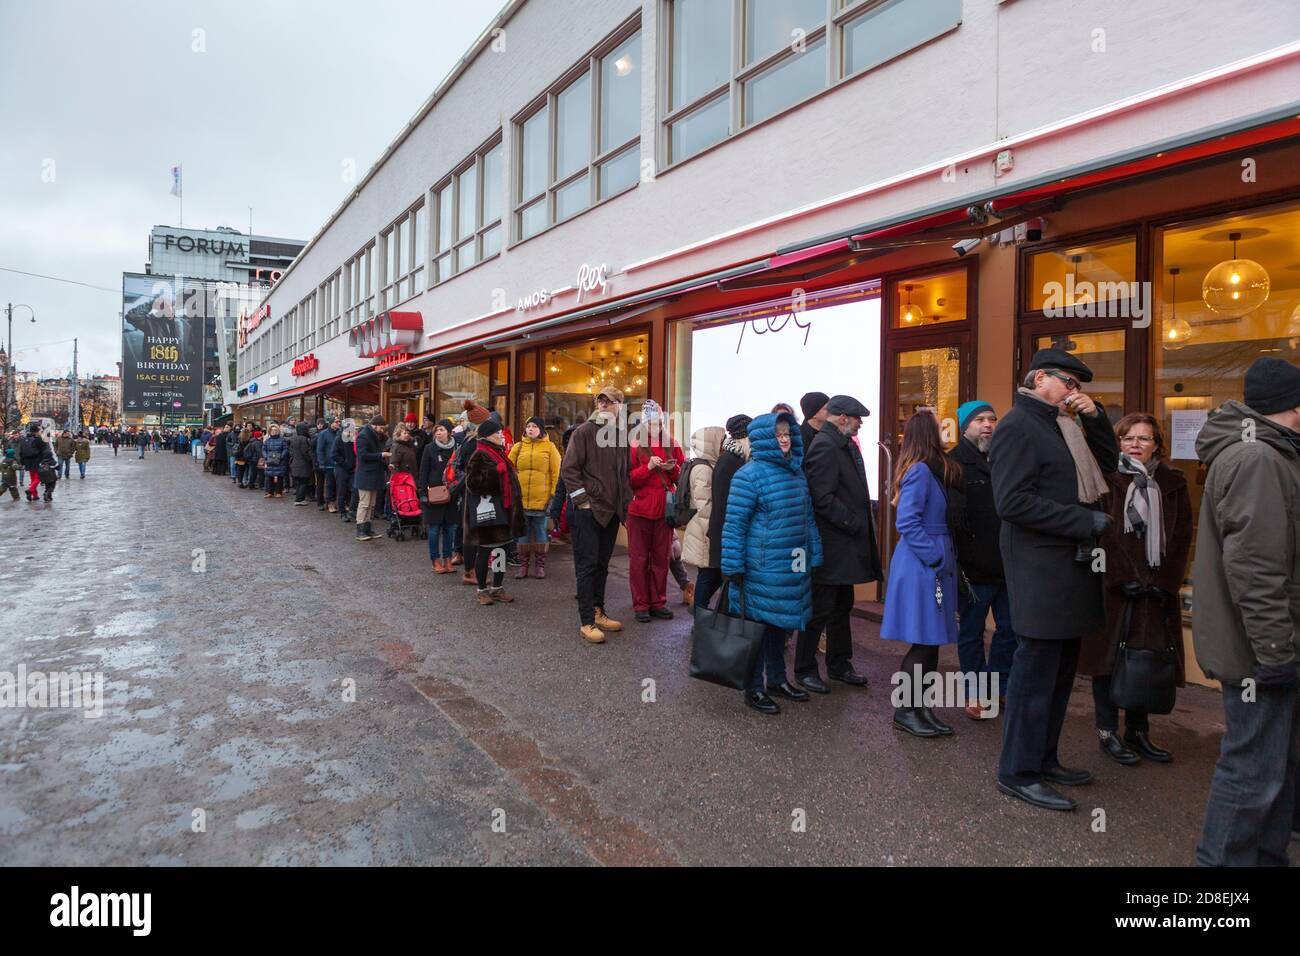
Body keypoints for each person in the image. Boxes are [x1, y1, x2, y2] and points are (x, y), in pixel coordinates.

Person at [989, 348, 1118, 812]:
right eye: (1068, 382)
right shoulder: (1017, 426)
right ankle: (1017, 772)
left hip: (1069, 567)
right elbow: (1012, 503)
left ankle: (1043, 759)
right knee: (1034, 673)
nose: (1074, 391)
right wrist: (1082, 523)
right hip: (1041, 568)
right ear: (1040, 377)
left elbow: (1109, 463)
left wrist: (1097, 418)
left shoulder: (1063, 424)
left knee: (1061, 671)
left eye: (1078, 386)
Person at [1193, 358, 1300, 867]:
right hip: (1259, 650)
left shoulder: (1274, 455)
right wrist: (1277, 652)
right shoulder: (1258, 459)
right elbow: (1256, 570)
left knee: (1274, 769)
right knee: (1251, 771)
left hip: (1270, 643)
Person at [1078, 413, 1193, 765]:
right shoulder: (1106, 478)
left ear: (1157, 443)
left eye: (1144, 439)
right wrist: (1120, 575)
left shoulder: (1174, 481)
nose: (1136, 445)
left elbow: (1182, 536)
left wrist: (1166, 583)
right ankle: (1107, 731)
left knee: (1147, 659)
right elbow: (1102, 534)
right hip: (1115, 588)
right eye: (1128, 438)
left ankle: (1138, 731)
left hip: (1156, 590)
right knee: (1108, 662)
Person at [721, 411, 823, 715]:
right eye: (778, 434)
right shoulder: (748, 476)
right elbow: (734, 525)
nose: (784, 439)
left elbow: (807, 520)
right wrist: (733, 566)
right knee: (757, 629)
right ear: (765, 438)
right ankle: (753, 688)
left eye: (787, 433)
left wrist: (813, 555)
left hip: (791, 564)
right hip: (759, 568)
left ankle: (777, 680)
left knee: (781, 625)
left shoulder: (796, 473)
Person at [882, 410, 962, 738]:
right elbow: (908, 522)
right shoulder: (920, 472)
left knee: (930, 643)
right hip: (923, 565)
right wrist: (935, 558)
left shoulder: (928, 470)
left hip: (928, 563)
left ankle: (921, 708)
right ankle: (906, 710)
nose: (946, 429)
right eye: (939, 425)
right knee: (924, 643)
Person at [797, 394, 880, 693]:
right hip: (831, 545)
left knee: (841, 605)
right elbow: (822, 498)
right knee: (820, 607)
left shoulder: (839, 443)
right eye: (858, 419)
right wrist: (853, 521)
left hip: (842, 545)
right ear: (843, 418)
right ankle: (805, 668)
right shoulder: (826, 446)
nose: (860, 424)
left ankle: (840, 663)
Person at [948, 400, 1016, 719]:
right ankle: (976, 693)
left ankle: (1000, 687)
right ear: (965, 427)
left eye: (992, 419)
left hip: (1008, 565)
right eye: (980, 420)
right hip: (972, 569)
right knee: (972, 633)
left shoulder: (1005, 458)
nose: (988, 425)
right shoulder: (954, 464)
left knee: (1011, 630)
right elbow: (951, 520)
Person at [560, 386, 631, 644]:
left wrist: (625, 507)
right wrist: (582, 501)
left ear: (619, 406)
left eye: (609, 402)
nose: (603, 406)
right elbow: (569, 470)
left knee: (602, 566)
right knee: (587, 567)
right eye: (600, 402)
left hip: (611, 513)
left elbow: (624, 476)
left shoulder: (620, 436)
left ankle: (599, 612)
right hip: (588, 512)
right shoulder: (584, 432)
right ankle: (587, 620)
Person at [627, 399, 685, 623]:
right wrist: (648, 467)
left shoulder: (672, 443)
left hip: (663, 510)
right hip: (639, 510)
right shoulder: (633, 444)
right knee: (639, 560)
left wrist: (674, 468)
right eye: (650, 422)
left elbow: (680, 477)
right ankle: (641, 604)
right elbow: (628, 480)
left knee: (661, 559)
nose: (655, 426)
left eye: (658, 422)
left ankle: (658, 602)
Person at [463, 419, 524, 605]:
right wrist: (496, 472)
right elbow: (473, 483)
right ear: (488, 436)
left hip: (503, 511)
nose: (501, 436)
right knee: (484, 551)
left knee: (501, 550)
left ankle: (497, 588)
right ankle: (482, 589)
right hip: (487, 513)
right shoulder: (480, 454)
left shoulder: (498, 453)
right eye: (498, 433)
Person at [704, 416, 752, 612]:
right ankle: (714, 629)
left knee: (723, 584)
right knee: (726, 585)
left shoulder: (733, 458)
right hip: (726, 533)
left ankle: (711, 625)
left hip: (726, 533)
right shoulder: (730, 461)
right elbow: (724, 504)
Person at [508, 416, 561, 579]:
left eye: (534, 426)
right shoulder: (518, 446)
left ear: (541, 430)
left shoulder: (550, 448)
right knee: (522, 532)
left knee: (540, 531)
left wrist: (553, 496)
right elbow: (509, 469)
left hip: (542, 499)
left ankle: (540, 566)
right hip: (521, 498)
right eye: (528, 426)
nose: (530, 429)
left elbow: (556, 473)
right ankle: (523, 566)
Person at [680, 425, 725, 607]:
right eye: (721, 441)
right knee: (708, 576)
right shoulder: (703, 469)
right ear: (711, 443)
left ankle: (699, 614)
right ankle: (699, 616)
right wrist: (712, 533)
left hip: (702, 529)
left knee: (710, 575)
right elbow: (704, 504)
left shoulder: (705, 465)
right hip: (703, 532)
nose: (723, 446)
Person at [419, 419, 459, 573]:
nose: (438, 433)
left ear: (449, 431)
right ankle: (435, 560)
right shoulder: (429, 448)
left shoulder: (456, 447)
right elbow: (423, 472)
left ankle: (448, 559)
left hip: (451, 494)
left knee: (450, 529)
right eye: (436, 431)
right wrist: (422, 493)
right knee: (434, 529)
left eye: (442, 430)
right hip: (433, 494)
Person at [354, 415, 388, 541]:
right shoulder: (364, 435)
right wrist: (381, 455)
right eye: (382, 427)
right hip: (365, 475)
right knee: (364, 503)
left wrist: (386, 464)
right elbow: (362, 456)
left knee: (371, 504)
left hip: (373, 474)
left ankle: (367, 529)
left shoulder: (375, 436)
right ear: (375, 425)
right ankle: (360, 531)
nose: (383, 429)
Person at [333, 418, 357, 522]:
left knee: (354, 489)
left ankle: (352, 509)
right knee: (341, 491)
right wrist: (344, 463)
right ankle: (342, 512)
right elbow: (334, 455)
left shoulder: (354, 440)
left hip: (352, 469)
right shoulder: (338, 439)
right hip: (341, 469)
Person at [18, 422, 49, 501]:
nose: (39, 432)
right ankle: (30, 490)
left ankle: (35, 495)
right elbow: (44, 451)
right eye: (39, 431)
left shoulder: (24, 439)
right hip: (37, 461)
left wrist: (22, 463)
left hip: (27, 462)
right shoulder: (38, 439)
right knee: (39, 478)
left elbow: (21, 452)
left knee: (33, 479)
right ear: (36, 432)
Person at [314, 417, 340, 511]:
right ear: (331, 423)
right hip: (329, 463)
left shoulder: (340, 433)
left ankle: (340, 503)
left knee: (340, 484)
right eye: (336, 422)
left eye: (339, 422)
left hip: (339, 463)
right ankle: (330, 503)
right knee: (330, 484)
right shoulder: (323, 434)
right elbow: (320, 449)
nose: (338, 423)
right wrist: (321, 462)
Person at [288, 422, 315, 505]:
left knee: (298, 482)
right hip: (303, 464)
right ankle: (300, 499)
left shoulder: (293, 438)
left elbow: (291, 451)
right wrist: (311, 459)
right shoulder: (304, 439)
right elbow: (306, 453)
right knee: (303, 482)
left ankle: (298, 498)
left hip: (295, 463)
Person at [261, 425, 290, 498]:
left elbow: (285, 449)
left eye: (275, 430)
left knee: (279, 477)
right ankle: (270, 492)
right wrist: (266, 457)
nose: (273, 431)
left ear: (278, 431)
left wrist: (281, 456)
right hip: (270, 460)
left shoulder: (282, 440)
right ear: (269, 431)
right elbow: (264, 449)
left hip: (279, 460)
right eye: (272, 430)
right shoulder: (267, 440)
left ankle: (278, 492)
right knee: (269, 477)